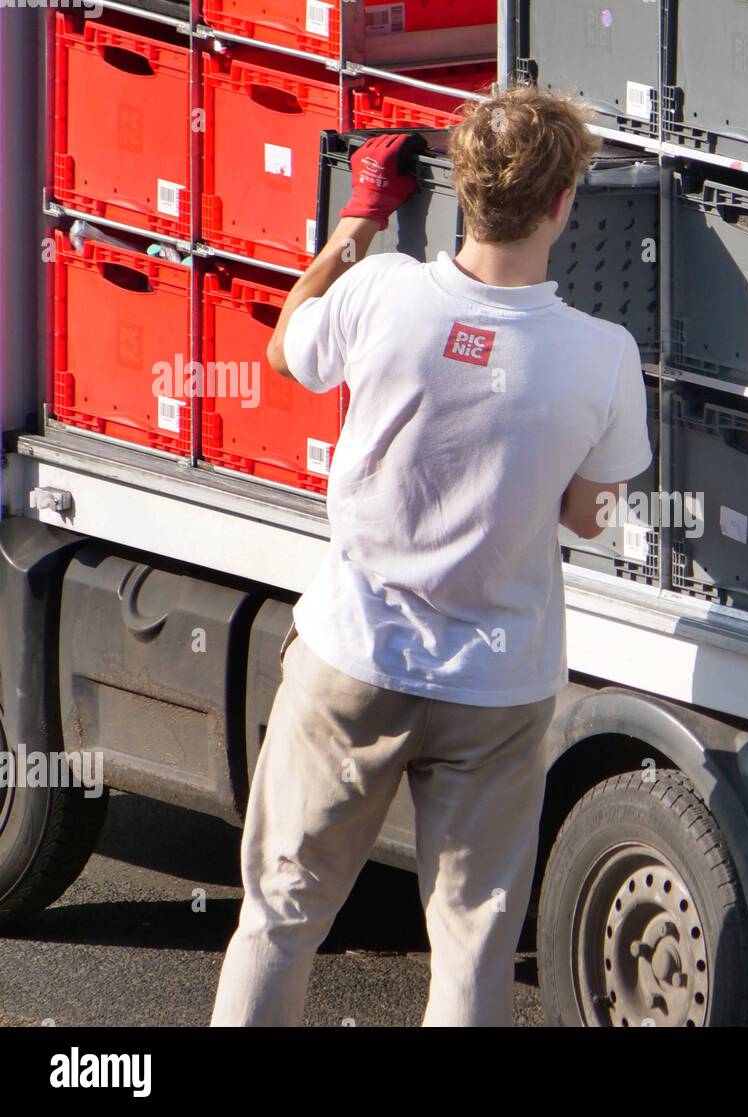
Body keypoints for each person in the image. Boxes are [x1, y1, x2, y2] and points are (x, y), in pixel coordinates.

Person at [209, 85, 653, 1027]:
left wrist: (352, 229)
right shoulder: (603, 355)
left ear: (462, 192)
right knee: (471, 953)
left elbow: (287, 350)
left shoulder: (382, 292)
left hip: (351, 660)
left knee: (280, 918)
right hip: (495, 689)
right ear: (562, 205)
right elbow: (589, 518)